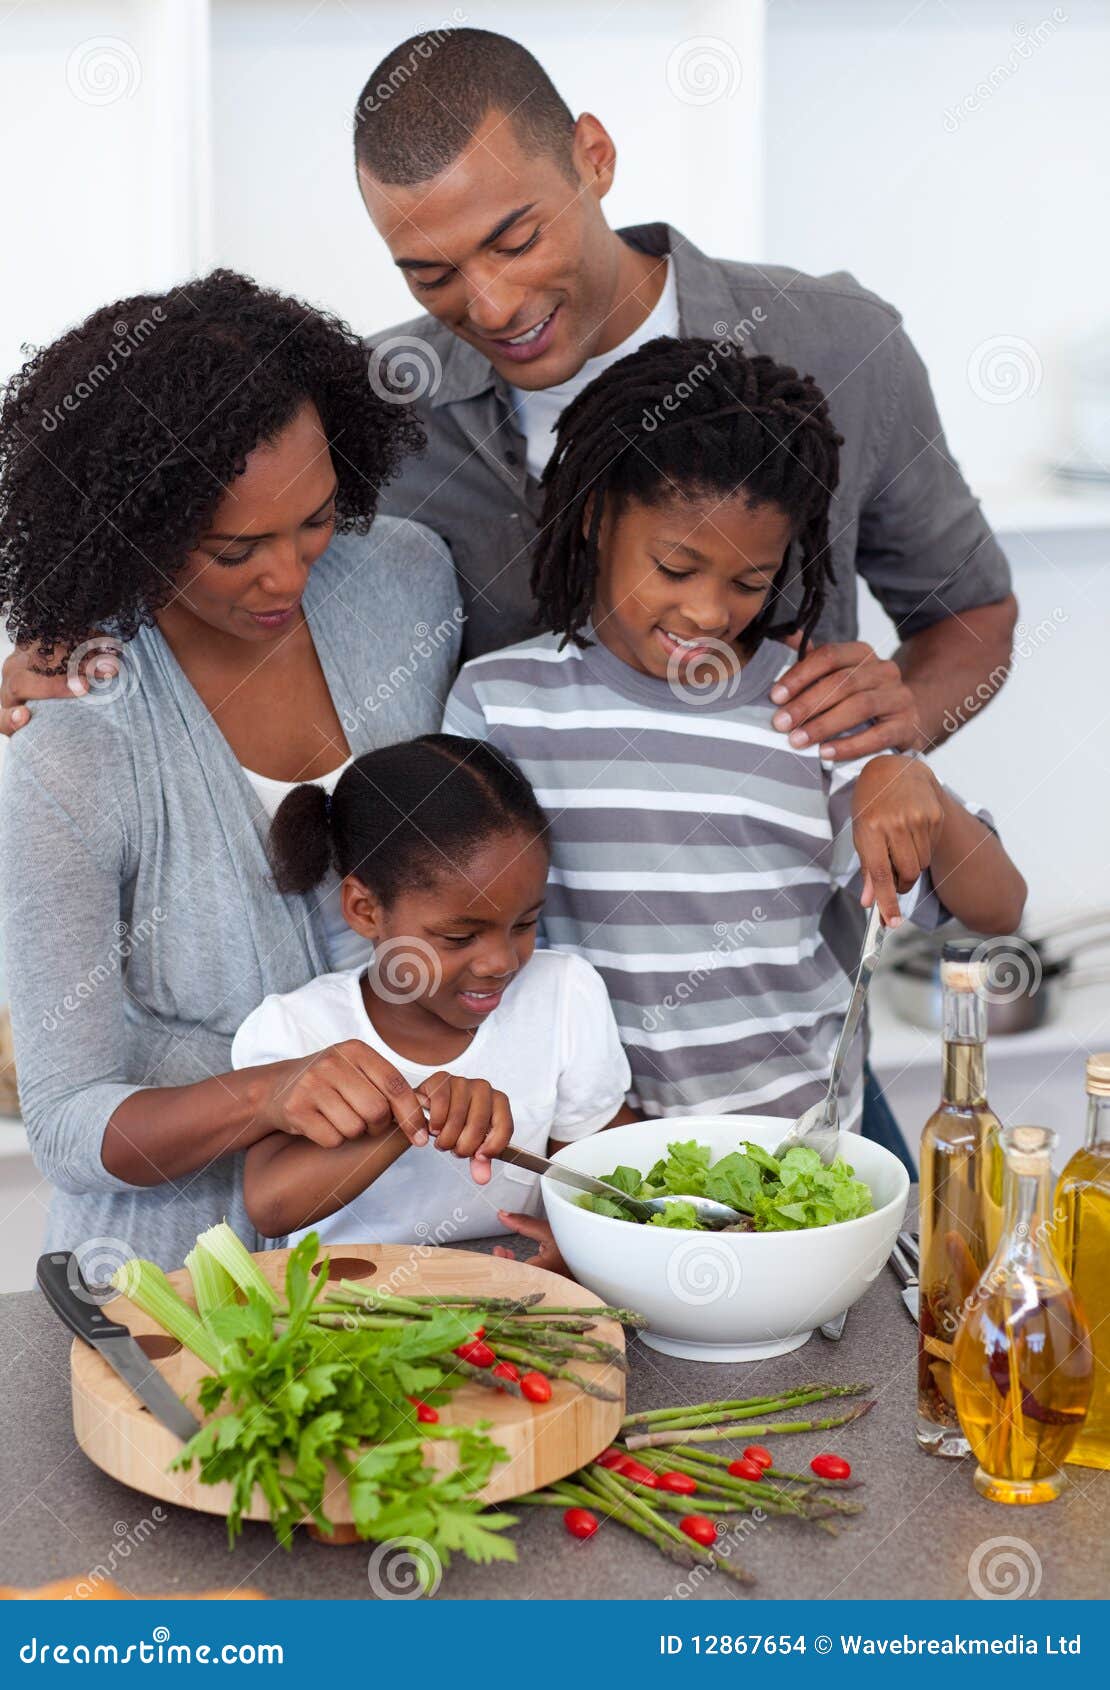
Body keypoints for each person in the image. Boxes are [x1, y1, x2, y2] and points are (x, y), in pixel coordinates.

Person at [442, 337, 1028, 1129]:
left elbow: (997, 909)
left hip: (797, 1169)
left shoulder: (811, 712)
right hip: (595, 1167)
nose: (710, 613)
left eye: (750, 582)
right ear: (595, 518)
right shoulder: (499, 704)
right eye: (676, 569)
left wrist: (916, 779)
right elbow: (466, 950)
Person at [0, 272, 464, 1270]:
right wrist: (268, 1088)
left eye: (314, 519)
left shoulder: (406, 583)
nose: (287, 575)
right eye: (233, 548)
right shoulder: (74, 722)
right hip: (171, 1289)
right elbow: (71, 1123)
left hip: (410, 1256)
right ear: (135, 524)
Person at [232, 736, 633, 1254]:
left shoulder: (563, 994)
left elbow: (593, 1169)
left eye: (526, 923)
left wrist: (576, 1245)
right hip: (345, 1317)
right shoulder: (299, 1027)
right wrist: (414, 1115)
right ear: (365, 910)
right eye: (459, 937)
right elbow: (272, 1207)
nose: (500, 962)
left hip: (514, 1302)